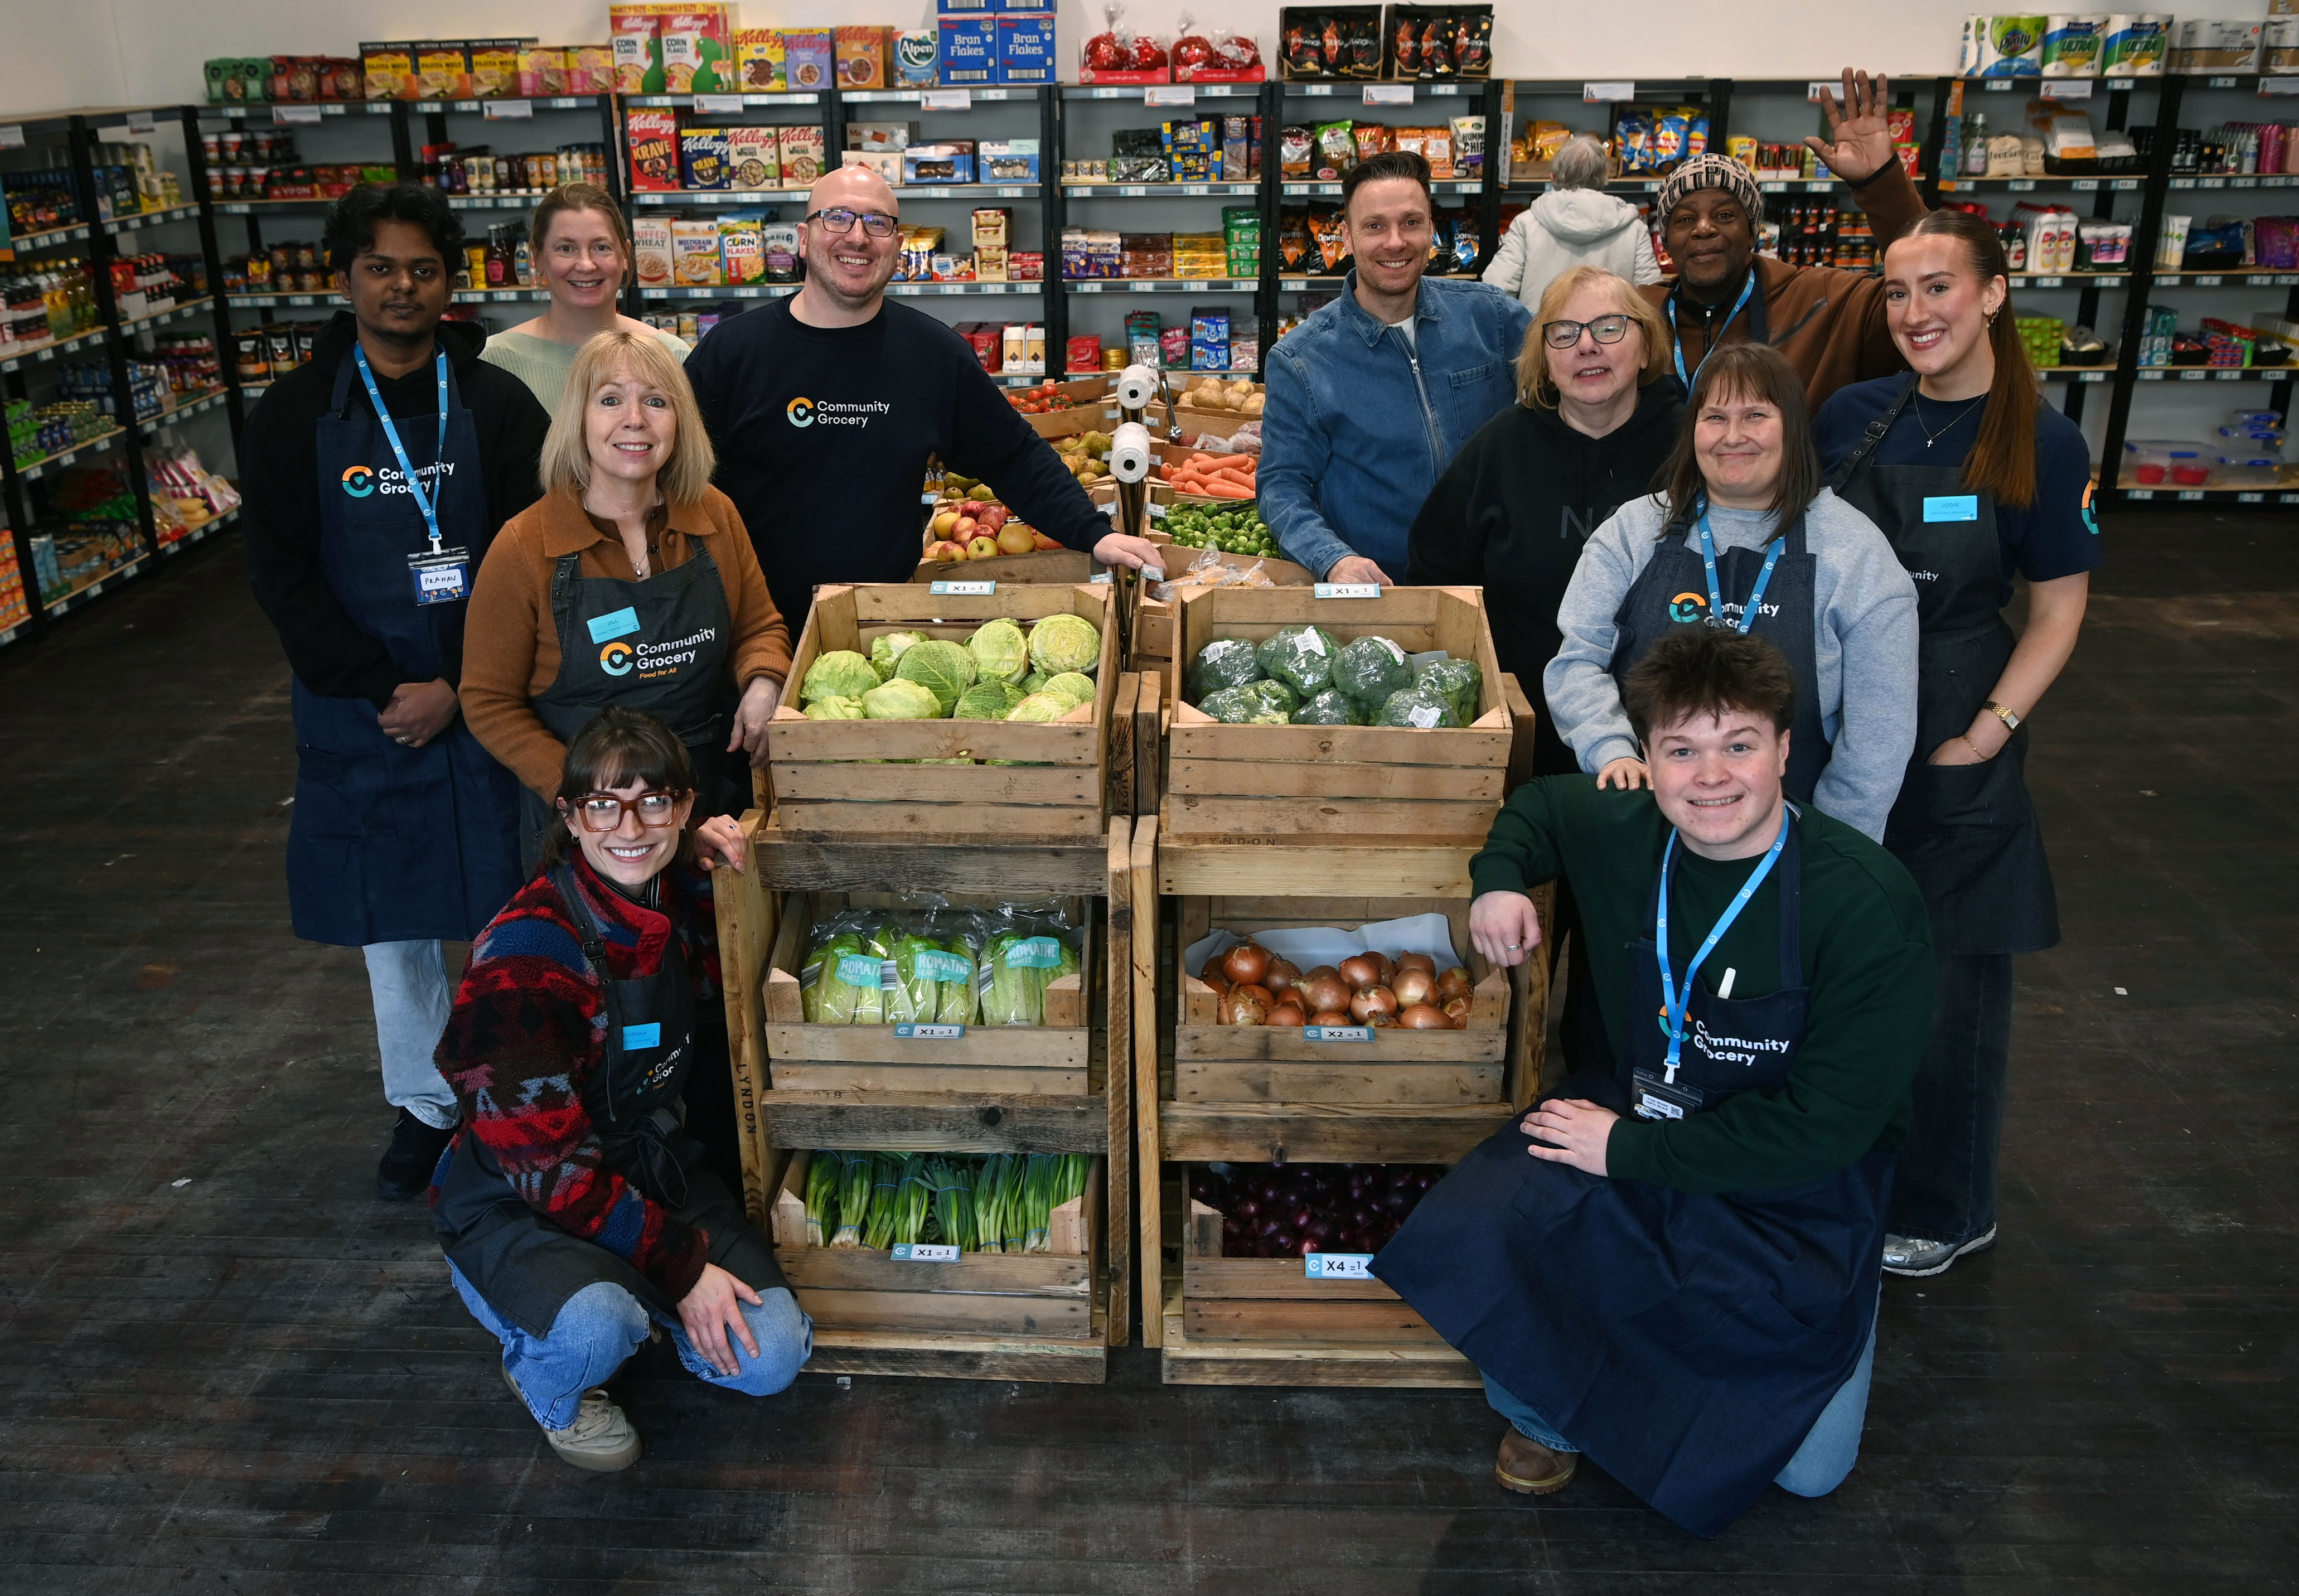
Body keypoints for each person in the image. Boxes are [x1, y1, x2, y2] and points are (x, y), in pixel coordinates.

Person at [1373, 626, 1936, 1538]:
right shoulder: (1624, 825)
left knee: (1807, 1474)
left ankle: (1843, 1308)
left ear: (1785, 749)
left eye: (1738, 745)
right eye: (1681, 749)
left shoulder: (1864, 901)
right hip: (1642, 1112)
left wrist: (1627, 1147)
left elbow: (1824, 1129)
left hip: (1790, 1188)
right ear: (1646, 759)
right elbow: (1538, 811)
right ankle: (1542, 1409)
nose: (1710, 776)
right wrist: (1497, 881)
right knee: (1493, 1214)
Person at [241, 182, 550, 1201]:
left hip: (489, 699)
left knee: (510, 908)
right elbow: (280, 573)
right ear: (346, 279)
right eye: (382, 268)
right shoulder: (294, 414)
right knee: (394, 926)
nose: (403, 287)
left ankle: (520, 1094)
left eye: (422, 269)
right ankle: (424, 1105)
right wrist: (386, 685)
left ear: (449, 281)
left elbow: (531, 548)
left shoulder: (496, 399)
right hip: (365, 713)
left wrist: (465, 686)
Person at [1813, 210, 2098, 1279]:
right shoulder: (1851, 416)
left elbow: (2060, 610)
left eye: (1936, 288)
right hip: (1846, 715)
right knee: (1847, 957)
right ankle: (1851, 1167)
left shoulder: (2040, 436)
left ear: (1989, 295)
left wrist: (1988, 732)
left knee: (1948, 983)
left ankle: (1946, 1203)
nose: (1913, 313)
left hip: (1952, 713)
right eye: (1895, 292)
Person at [432, 706, 811, 1474]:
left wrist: (707, 868)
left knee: (773, 1356)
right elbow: (550, 1172)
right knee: (593, 1329)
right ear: (569, 817)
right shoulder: (523, 958)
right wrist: (687, 1269)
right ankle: (547, 1365)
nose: (628, 824)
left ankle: (645, 1308)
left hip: (649, 1163)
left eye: (653, 802)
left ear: (683, 807)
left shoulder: (662, 894)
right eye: (604, 803)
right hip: (523, 1198)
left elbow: (707, 976)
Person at [683, 165, 1161, 628]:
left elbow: (1013, 454)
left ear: (895, 247)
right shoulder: (731, 353)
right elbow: (670, 481)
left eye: (878, 223)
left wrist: (1094, 534)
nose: (857, 237)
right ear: (804, 240)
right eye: (838, 218)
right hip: (750, 625)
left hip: (880, 621)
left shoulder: (933, 355)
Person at [1545, 341, 1918, 856]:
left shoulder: (1857, 557)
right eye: (1714, 416)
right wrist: (1610, 749)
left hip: (1797, 842)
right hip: (1642, 831)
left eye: (1755, 416)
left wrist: (1831, 851)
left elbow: (1879, 739)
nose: (1732, 436)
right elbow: (1577, 661)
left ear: (1791, 426)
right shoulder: (1632, 532)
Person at [461, 329, 790, 852]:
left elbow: (758, 626)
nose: (634, 419)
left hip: (708, 805)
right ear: (579, 419)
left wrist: (764, 684)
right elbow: (487, 700)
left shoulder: (713, 513)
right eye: (610, 400)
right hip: (583, 826)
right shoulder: (524, 546)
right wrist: (588, 799)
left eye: (656, 401)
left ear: (679, 420)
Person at [1407, 265, 1681, 780]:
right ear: (1543, 359)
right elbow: (1434, 578)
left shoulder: (1694, 447)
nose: (1586, 346)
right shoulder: (1500, 448)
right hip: (1522, 735)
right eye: (1564, 333)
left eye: (1608, 327)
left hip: (1678, 737)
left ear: (1646, 348)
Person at [1260, 149, 1533, 587]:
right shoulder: (1301, 360)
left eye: (1411, 222)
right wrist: (1332, 559)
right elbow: (1281, 485)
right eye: (1374, 226)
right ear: (1346, 238)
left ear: (1430, 229)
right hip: (1385, 591)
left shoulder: (1494, 320)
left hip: (1499, 578)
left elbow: (1565, 393)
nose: (1394, 242)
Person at [1647, 71, 1929, 409]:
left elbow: (1927, 286)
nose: (1704, 228)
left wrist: (1882, 182)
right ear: (1665, 240)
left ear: (1753, 232)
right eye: (1685, 219)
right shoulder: (1636, 316)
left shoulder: (1824, 300)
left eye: (1724, 215)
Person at [481, 183, 692, 412]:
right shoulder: (494, 362)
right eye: (566, 248)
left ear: (625, 255)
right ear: (538, 258)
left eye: (601, 248)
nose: (586, 265)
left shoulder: (672, 356)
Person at [1483, 135, 1662, 311]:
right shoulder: (1634, 227)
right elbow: (1652, 297)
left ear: (1552, 177)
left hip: (1541, 336)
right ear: (1605, 175)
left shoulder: (1527, 223)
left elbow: (1495, 290)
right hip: (1612, 335)